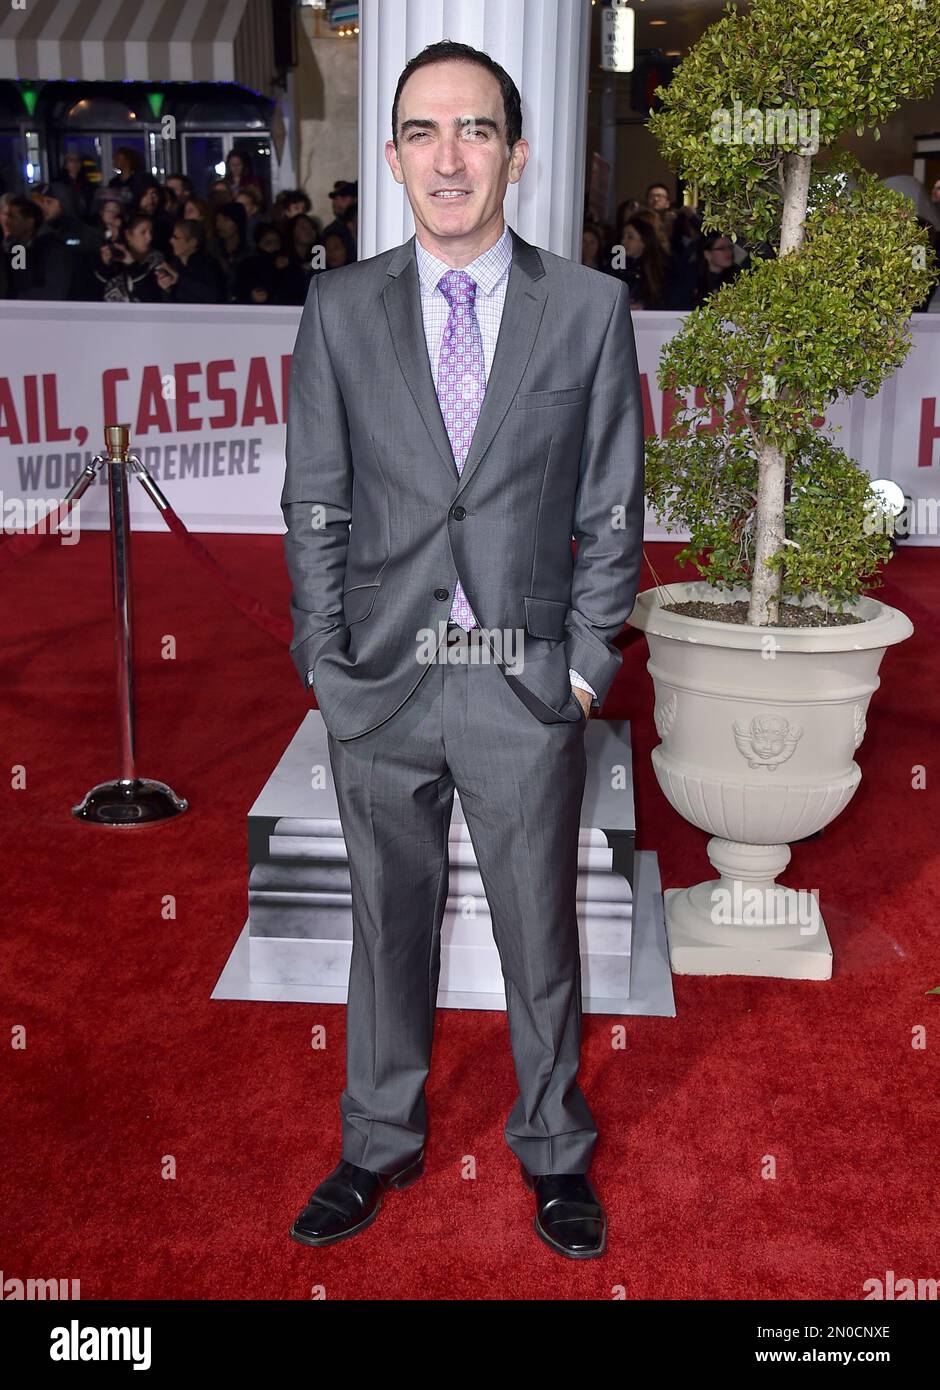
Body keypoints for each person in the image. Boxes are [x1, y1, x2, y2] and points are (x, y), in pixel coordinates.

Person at [281, 39, 644, 1261]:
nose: (449, 157)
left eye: (475, 130)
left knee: (540, 931)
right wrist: (326, 666)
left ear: (517, 152)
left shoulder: (587, 309)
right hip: (379, 686)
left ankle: (553, 1146)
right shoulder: (336, 309)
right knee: (386, 926)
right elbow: (315, 502)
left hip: (521, 681)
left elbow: (610, 507)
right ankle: (377, 1140)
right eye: (424, 133)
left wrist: (583, 667)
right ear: (390, 158)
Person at [3, 196, 73, 299]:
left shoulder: (53, 248)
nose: (7, 222)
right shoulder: (17, 248)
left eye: (12, 217)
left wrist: (19, 299)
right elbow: (18, 283)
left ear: (29, 222)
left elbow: (55, 291)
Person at [94, 213, 164, 302]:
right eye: (143, 232)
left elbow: (152, 298)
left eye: (151, 232)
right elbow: (93, 296)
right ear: (128, 235)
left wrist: (132, 264)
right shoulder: (114, 258)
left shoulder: (155, 260)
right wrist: (104, 267)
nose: (149, 237)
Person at [156, 219, 226, 303]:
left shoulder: (209, 264)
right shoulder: (174, 265)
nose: (171, 241)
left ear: (192, 242)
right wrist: (166, 290)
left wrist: (179, 278)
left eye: (176, 237)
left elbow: (213, 297)